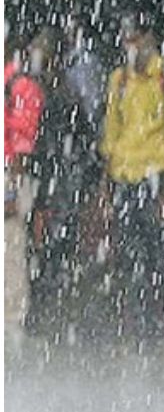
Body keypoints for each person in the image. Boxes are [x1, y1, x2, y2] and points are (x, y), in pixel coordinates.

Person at [99, 13, 164, 338]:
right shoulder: (119, 80)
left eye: (136, 38)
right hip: (124, 178)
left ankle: (158, 325)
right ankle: (132, 324)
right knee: (127, 256)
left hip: (156, 179)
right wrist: (105, 188)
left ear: (150, 39)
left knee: (158, 257)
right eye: (126, 38)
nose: (131, 45)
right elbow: (110, 135)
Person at [26, 27, 97, 337]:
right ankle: (43, 308)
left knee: (51, 249)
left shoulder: (63, 95)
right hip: (45, 181)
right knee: (42, 249)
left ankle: (46, 310)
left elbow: (78, 142)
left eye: (40, 50)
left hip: (55, 184)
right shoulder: (36, 89)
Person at [4, 36, 44, 350]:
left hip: (9, 176)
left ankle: (11, 324)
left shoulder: (20, 85)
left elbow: (22, 142)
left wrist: (12, 190)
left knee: (10, 251)